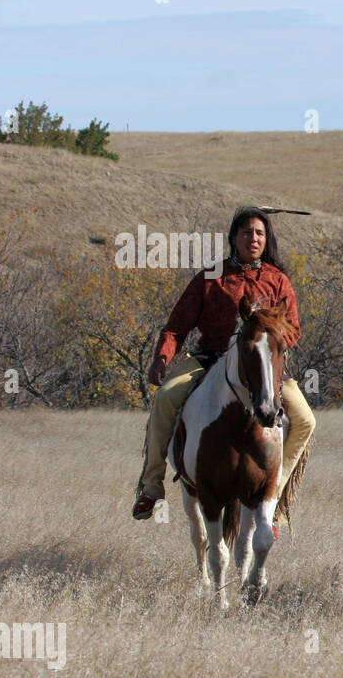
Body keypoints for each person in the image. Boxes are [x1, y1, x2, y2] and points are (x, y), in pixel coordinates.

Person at [132, 206, 316, 524]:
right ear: (234, 238)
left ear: (266, 239)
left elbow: (294, 329)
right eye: (246, 232)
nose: (253, 238)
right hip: (209, 359)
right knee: (166, 397)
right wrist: (163, 356)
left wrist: (271, 340)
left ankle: (275, 500)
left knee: (305, 420)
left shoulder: (277, 281)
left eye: (259, 233)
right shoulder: (211, 277)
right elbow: (176, 326)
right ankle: (151, 486)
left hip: (261, 368)